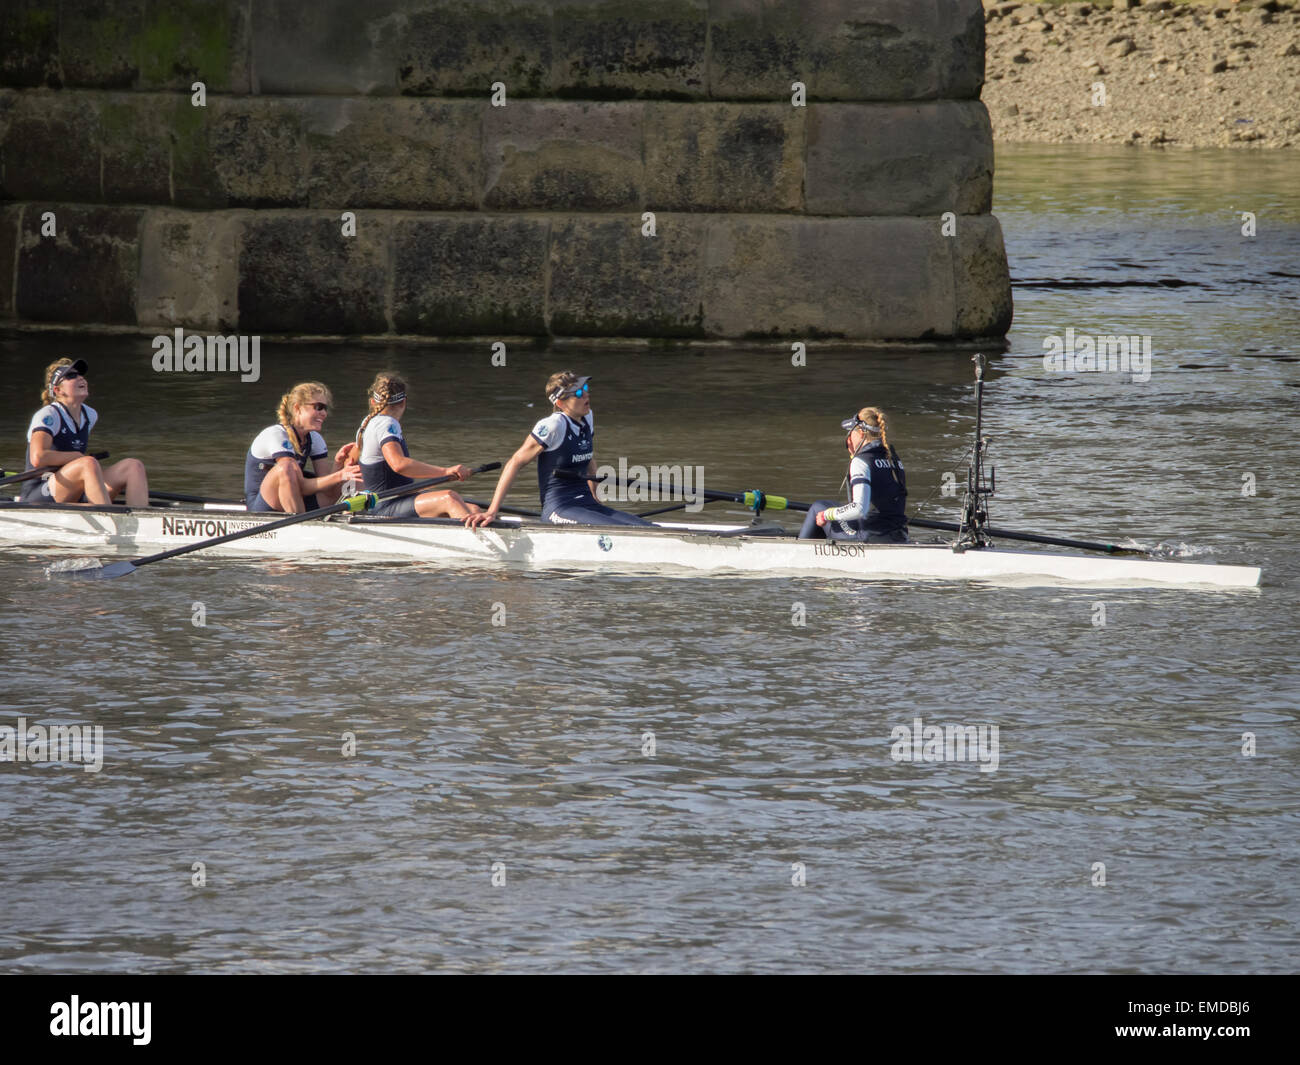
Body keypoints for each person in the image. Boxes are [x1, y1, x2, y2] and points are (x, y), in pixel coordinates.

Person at [466, 371, 654, 528]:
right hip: (559, 508)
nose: (586, 395)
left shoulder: (587, 417)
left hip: (586, 503)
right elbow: (515, 462)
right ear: (561, 403)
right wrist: (492, 510)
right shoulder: (553, 426)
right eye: (578, 394)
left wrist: (595, 497)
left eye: (585, 389)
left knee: (648, 528)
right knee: (619, 530)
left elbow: (588, 459)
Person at [343, 372, 480, 519]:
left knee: (473, 509)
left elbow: (350, 463)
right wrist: (445, 471)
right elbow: (399, 464)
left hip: (392, 500)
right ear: (403, 402)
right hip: (385, 505)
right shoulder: (387, 423)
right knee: (449, 499)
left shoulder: (366, 423)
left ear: (372, 402)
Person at [21, 358, 149, 507]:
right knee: (88, 463)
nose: (80, 377)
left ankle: (141, 517)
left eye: (80, 375)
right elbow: (38, 457)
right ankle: (107, 518)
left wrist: (79, 460)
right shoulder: (49, 415)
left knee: (133, 466)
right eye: (71, 376)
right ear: (58, 390)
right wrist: (76, 457)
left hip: (73, 487)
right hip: (40, 492)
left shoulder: (90, 415)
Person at [244, 381, 360, 513]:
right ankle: (300, 525)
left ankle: (352, 518)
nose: (324, 413)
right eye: (318, 407)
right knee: (286, 467)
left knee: (354, 469)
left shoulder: (315, 439)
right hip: (263, 506)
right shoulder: (276, 435)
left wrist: (339, 465)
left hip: (294, 497)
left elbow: (327, 489)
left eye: (325, 408)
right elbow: (302, 486)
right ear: (297, 408)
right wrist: (339, 475)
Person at [798, 407, 908, 543]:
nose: (848, 436)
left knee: (818, 508)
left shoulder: (861, 461)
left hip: (869, 537)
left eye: (850, 432)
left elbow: (859, 509)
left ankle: (799, 551)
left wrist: (826, 515)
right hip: (900, 535)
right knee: (829, 505)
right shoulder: (893, 458)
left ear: (861, 433)